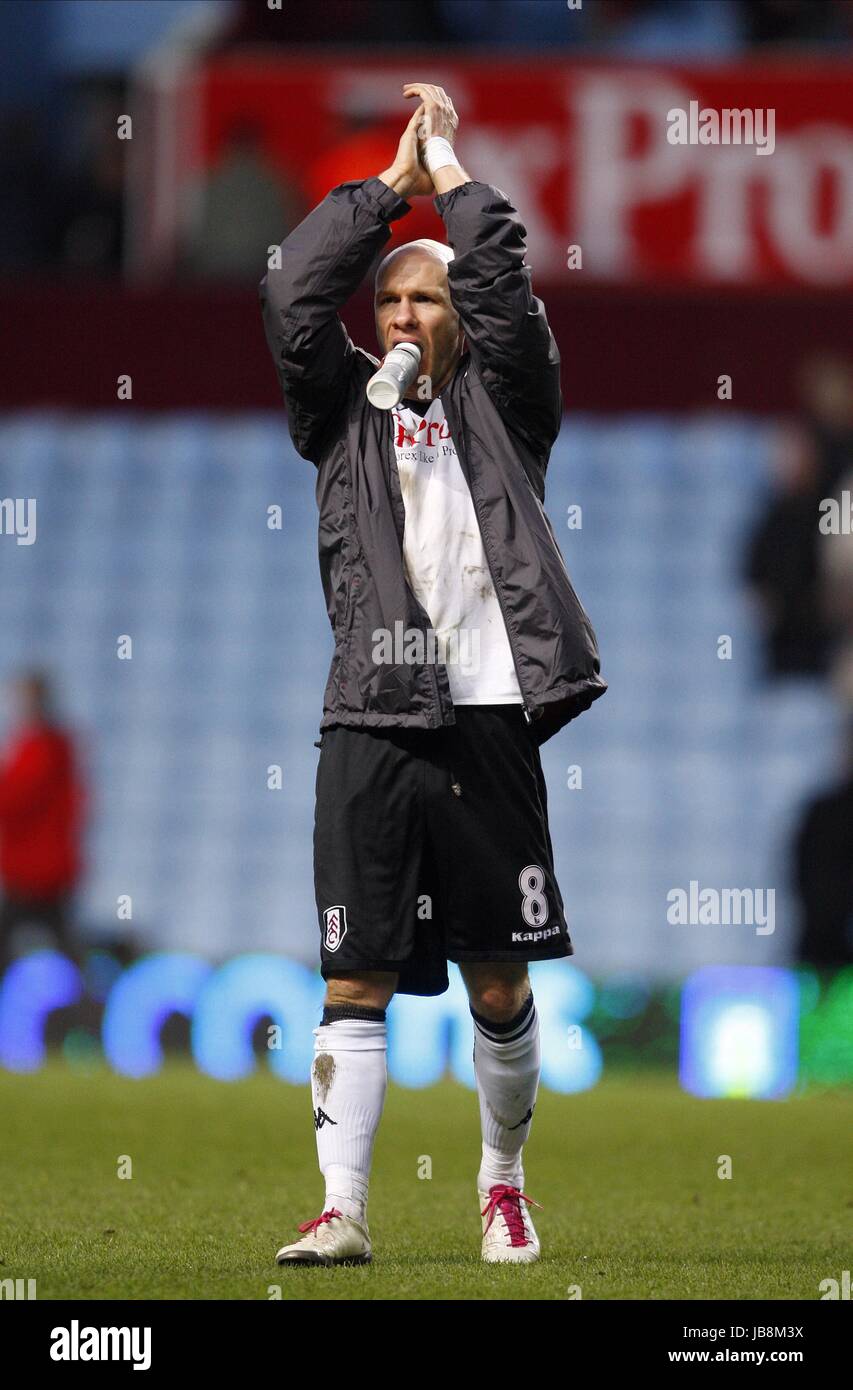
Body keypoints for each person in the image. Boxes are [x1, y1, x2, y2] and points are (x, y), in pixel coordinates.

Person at [260, 82, 606, 1267]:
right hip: (370, 713)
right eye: (392, 297)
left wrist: (450, 173)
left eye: (425, 297)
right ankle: (340, 1207)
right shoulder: (338, 411)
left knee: (497, 983)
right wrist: (386, 192)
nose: (406, 313)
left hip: (489, 715)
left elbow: (501, 279)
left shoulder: (509, 404)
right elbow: (291, 292)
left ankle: (501, 1183)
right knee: (352, 973)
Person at [0, 671, 85, 975]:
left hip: (37, 871)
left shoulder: (41, 749)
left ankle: (78, 1011)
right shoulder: (55, 747)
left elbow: (15, 799)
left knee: (50, 944)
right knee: (62, 945)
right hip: (44, 869)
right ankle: (79, 1009)